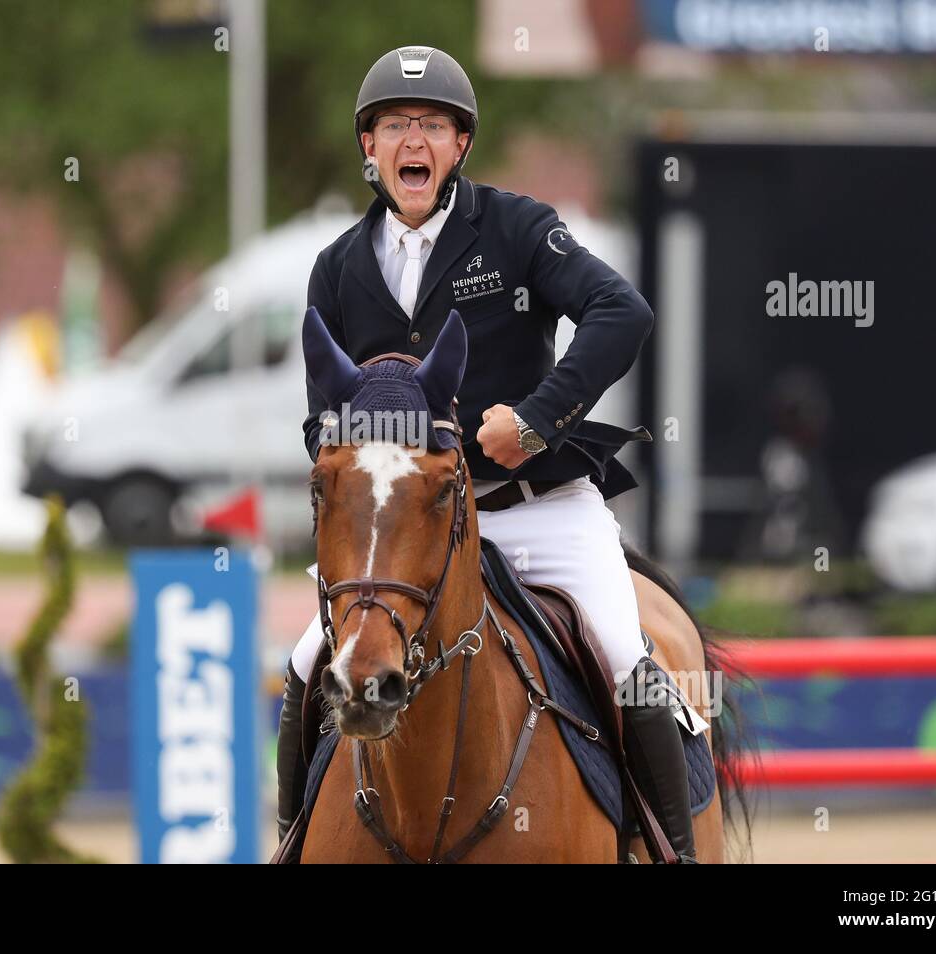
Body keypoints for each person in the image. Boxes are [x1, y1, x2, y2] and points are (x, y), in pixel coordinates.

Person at [277, 46, 698, 862]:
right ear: (369, 147)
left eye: (432, 125)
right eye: (396, 125)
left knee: (624, 652)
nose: (414, 140)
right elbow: (319, 433)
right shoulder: (335, 272)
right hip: (406, 535)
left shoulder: (518, 229)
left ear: (459, 145)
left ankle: (674, 852)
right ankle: (293, 841)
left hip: (534, 513)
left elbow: (623, 312)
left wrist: (537, 421)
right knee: (305, 668)